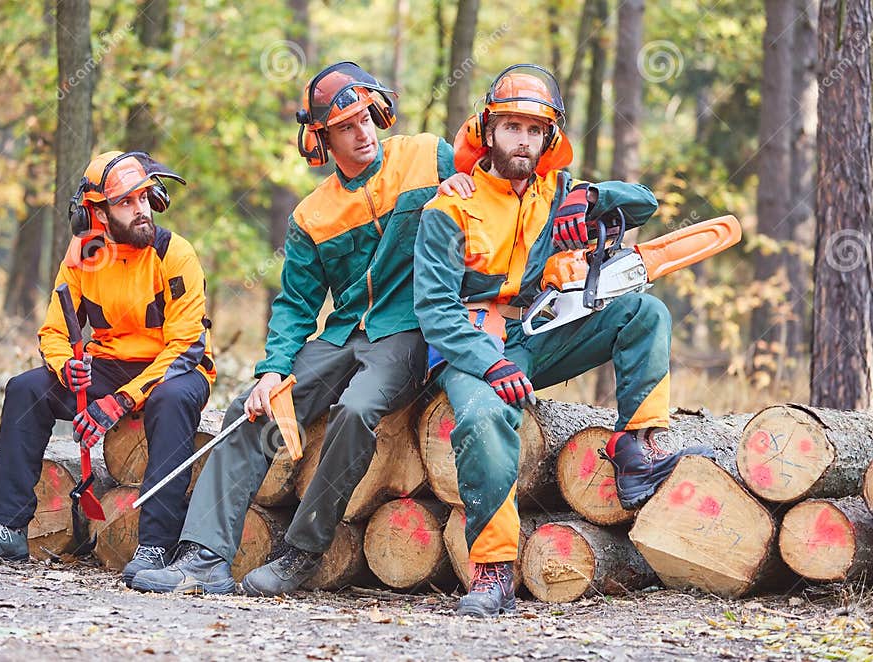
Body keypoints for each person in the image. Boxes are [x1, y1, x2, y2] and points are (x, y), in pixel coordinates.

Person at [131, 61, 460, 597]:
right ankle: (204, 557)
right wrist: (273, 369)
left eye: (366, 118)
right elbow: (296, 305)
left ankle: (301, 551)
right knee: (250, 409)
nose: (363, 134)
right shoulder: (312, 214)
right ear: (322, 138)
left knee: (356, 410)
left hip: (409, 330)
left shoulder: (427, 156)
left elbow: (493, 184)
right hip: (343, 334)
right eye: (346, 127)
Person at [414, 64, 712, 617]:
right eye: (511, 128)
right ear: (489, 129)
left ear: (549, 136)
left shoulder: (559, 191)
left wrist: (592, 197)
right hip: (470, 343)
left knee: (643, 312)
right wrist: (489, 363)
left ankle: (637, 449)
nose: (522, 140)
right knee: (481, 419)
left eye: (533, 129)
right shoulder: (449, 207)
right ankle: (493, 567)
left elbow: (643, 203)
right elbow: (434, 309)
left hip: (538, 330)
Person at [0, 151, 216, 588]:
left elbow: (186, 346)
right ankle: (6, 529)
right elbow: (52, 331)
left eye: (144, 198)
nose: (142, 210)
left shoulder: (175, 254)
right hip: (108, 365)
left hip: (174, 368)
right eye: (127, 203)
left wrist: (121, 400)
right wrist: (65, 365)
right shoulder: (84, 256)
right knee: (25, 389)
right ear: (97, 213)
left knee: (170, 400)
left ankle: (156, 546)